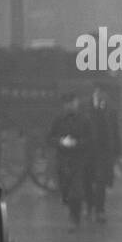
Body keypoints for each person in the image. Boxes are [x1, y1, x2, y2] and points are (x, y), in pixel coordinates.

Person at [48, 92, 93, 231]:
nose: (70, 106)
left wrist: (77, 143)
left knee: (76, 190)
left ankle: (75, 218)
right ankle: (72, 211)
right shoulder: (58, 120)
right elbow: (49, 137)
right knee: (65, 189)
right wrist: (61, 141)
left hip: (78, 159)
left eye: (72, 102)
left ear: (76, 103)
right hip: (62, 159)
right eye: (67, 103)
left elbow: (91, 139)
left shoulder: (84, 120)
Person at [84, 83, 121, 223]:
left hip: (103, 152)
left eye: (102, 94)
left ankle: (99, 209)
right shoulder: (86, 109)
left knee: (100, 181)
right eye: (97, 94)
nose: (100, 97)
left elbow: (114, 131)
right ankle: (89, 206)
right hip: (87, 151)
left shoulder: (110, 111)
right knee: (87, 181)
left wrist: (117, 150)